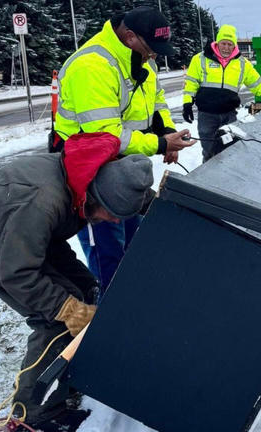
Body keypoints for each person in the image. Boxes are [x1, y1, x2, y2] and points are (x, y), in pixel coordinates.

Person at [0, 140, 155, 430]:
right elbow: (18, 274)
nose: (113, 220)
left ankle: (71, 373)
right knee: (54, 318)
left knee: (87, 288)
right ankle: (33, 415)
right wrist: (68, 310)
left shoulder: (98, 173)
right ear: (94, 197)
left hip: (29, 233)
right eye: (111, 213)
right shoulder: (42, 201)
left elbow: (135, 193)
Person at [53, 7, 195, 292]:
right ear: (130, 36)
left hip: (124, 169)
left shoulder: (142, 59)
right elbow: (106, 136)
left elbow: (157, 103)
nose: (154, 55)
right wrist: (160, 144)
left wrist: (166, 130)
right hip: (92, 174)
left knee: (135, 243)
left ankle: (135, 300)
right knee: (109, 257)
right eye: (151, 48)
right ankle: (109, 316)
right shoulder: (91, 67)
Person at [183, 24, 261, 162]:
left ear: (234, 45)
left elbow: (257, 84)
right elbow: (191, 83)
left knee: (232, 150)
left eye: (230, 44)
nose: (226, 48)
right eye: (224, 43)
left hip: (229, 115)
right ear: (217, 42)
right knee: (209, 151)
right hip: (207, 115)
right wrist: (187, 103)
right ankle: (209, 179)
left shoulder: (242, 63)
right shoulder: (200, 59)